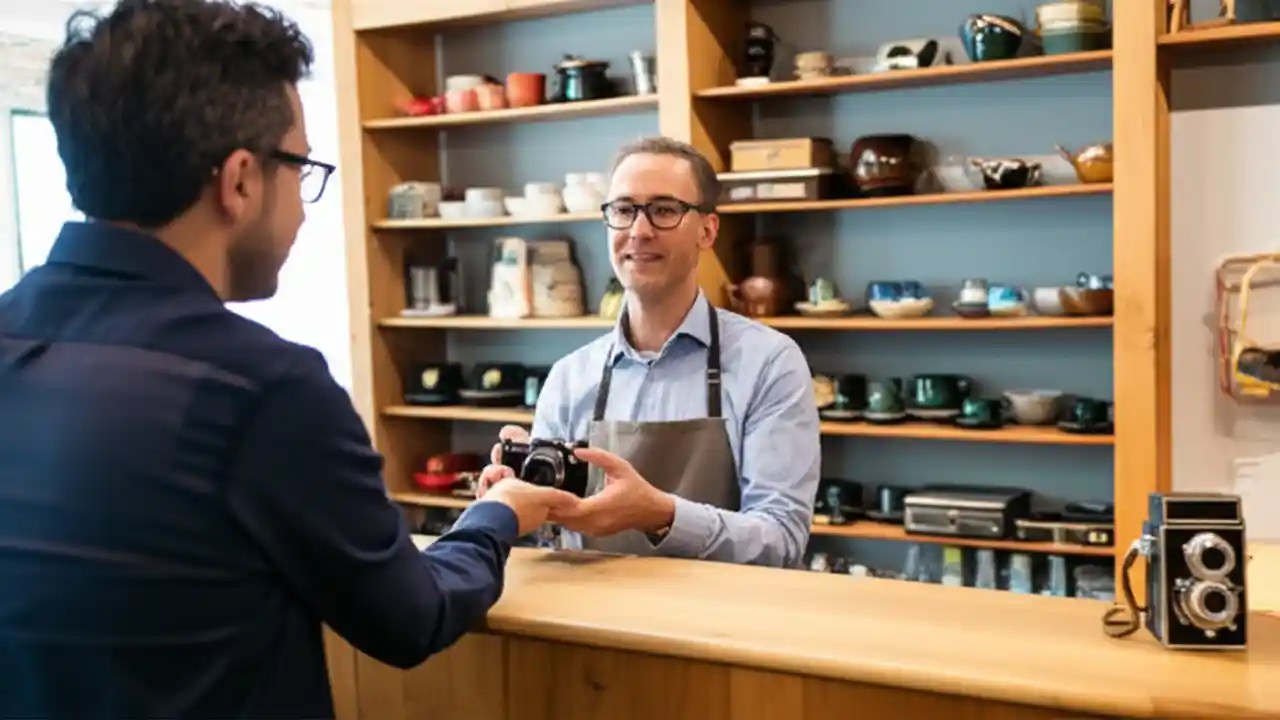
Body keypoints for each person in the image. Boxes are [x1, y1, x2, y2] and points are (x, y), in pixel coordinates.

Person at [0, 2, 575, 718]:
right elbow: (410, 616)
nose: (304, 208)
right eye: (301, 167)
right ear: (240, 180)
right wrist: (497, 515)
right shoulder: (260, 387)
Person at [479, 137, 821, 569]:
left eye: (664, 210)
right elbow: (550, 536)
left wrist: (661, 514)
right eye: (624, 210)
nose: (639, 231)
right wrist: (510, 501)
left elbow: (782, 540)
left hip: (721, 625)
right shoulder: (570, 376)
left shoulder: (769, 363)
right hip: (589, 624)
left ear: (707, 230)